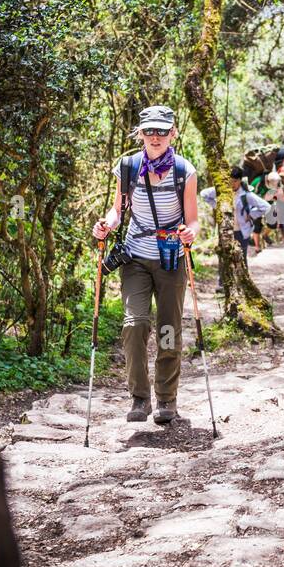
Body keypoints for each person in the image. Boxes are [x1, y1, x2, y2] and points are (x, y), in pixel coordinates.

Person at [92, 105, 199, 425]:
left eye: (162, 131)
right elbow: (117, 211)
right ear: (140, 134)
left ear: (173, 133)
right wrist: (105, 225)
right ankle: (140, 398)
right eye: (149, 131)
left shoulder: (185, 171)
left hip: (171, 260)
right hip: (136, 258)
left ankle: (167, 399)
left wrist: (189, 233)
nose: (155, 137)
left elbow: (193, 220)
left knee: (168, 329)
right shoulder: (127, 168)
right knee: (134, 324)